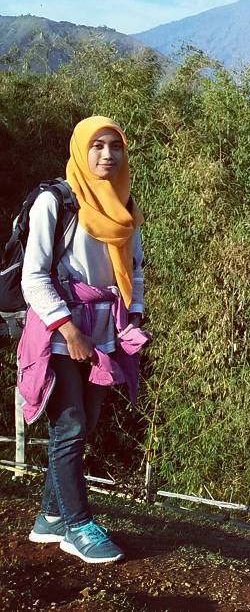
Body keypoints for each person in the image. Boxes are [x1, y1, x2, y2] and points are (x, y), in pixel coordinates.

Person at [17, 116, 150, 564]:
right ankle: (77, 527)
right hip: (59, 332)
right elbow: (34, 276)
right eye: (97, 146)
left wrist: (134, 314)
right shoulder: (55, 202)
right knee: (70, 424)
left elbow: (135, 269)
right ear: (80, 149)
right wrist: (68, 329)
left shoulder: (123, 204)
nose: (107, 154)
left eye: (115, 146)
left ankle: (50, 517)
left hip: (104, 332)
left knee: (85, 423)